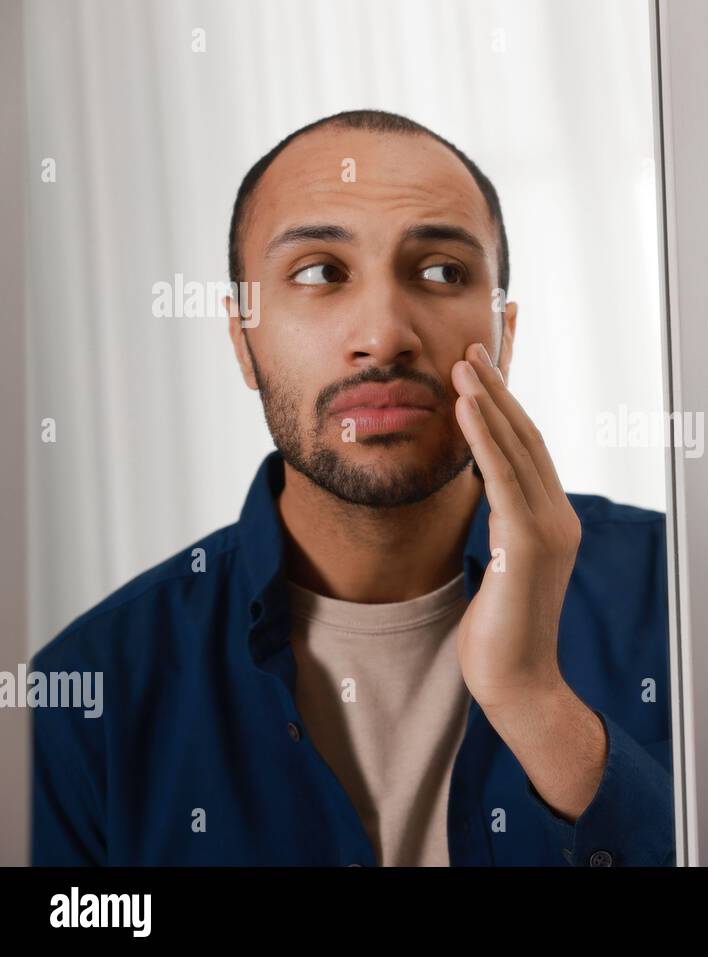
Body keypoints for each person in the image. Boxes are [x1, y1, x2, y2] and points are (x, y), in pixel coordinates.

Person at [31, 110, 673, 867]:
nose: (384, 332)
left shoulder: (683, 597)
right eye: (319, 273)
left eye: (441, 271)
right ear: (243, 341)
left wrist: (535, 700)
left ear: (506, 335)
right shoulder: (86, 700)